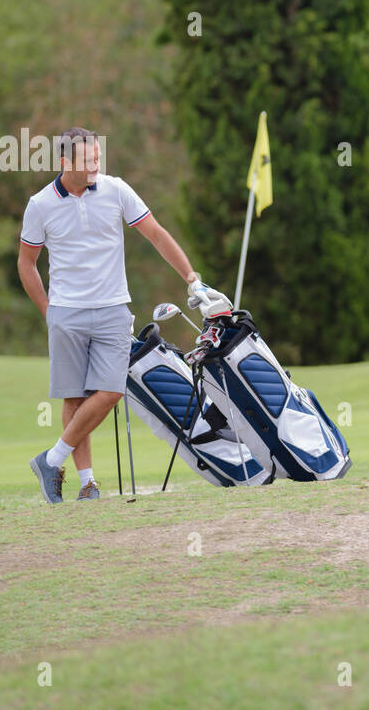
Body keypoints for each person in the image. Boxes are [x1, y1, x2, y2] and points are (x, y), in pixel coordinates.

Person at [17, 127, 230, 503]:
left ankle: (51, 459)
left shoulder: (116, 190)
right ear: (65, 161)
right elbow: (27, 263)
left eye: (99, 156)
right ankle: (87, 484)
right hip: (67, 313)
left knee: (112, 390)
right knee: (74, 397)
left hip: (114, 308)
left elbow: (156, 234)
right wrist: (49, 311)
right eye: (88, 159)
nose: (97, 164)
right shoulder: (40, 204)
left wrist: (191, 277)